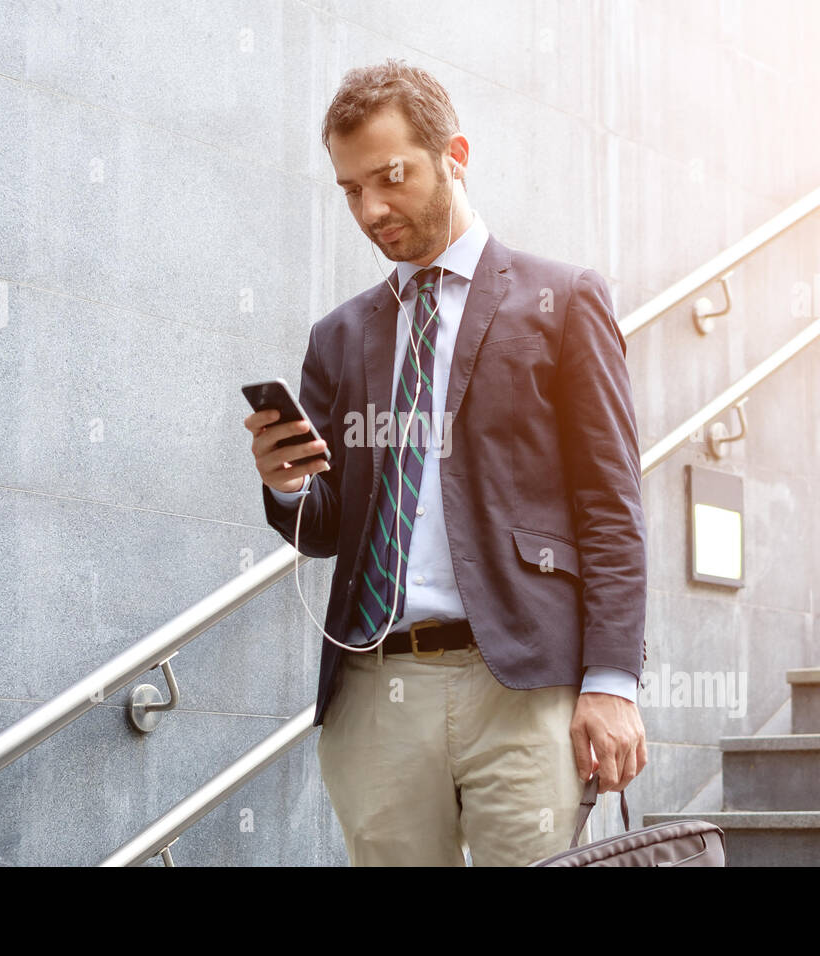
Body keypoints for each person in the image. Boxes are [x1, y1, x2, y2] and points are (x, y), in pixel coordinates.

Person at [243, 58, 647, 866]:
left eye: (390, 178)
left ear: (454, 153)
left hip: (522, 687)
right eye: (351, 189)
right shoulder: (341, 336)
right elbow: (330, 528)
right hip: (377, 692)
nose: (372, 208)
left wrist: (612, 680)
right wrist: (286, 485)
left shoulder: (561, 301)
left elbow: (611, 506)